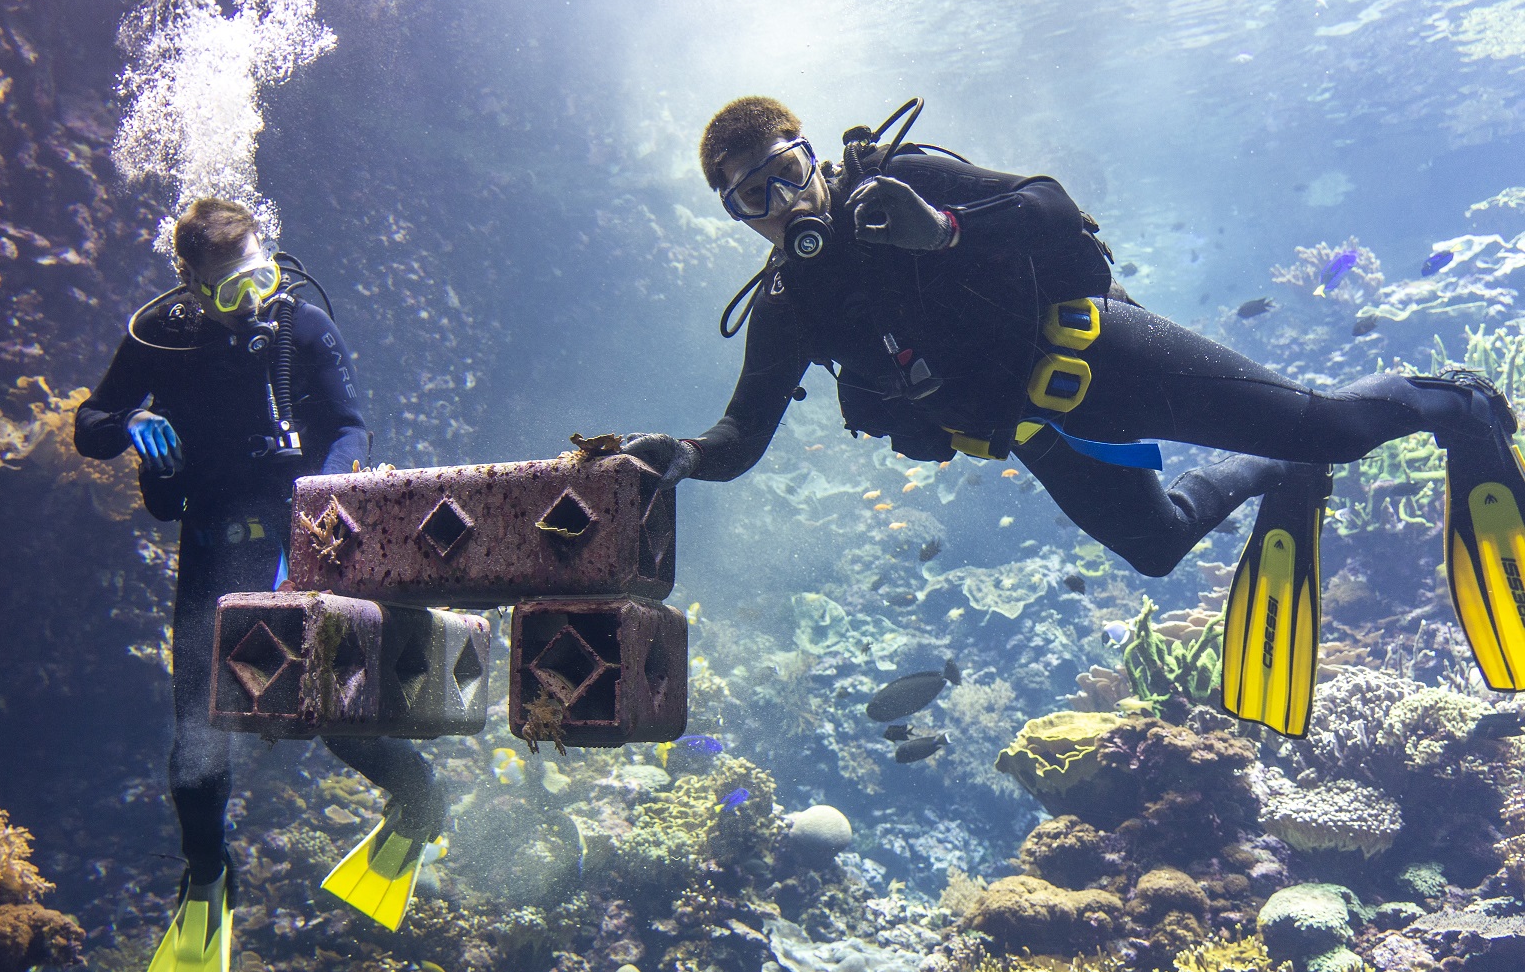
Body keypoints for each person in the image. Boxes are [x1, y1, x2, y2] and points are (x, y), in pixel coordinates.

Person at [623, 96, 1525, 738]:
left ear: (810, 154)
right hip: (1035, 429)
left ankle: (1457, 401)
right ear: (736, 216)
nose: (784, 205)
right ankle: (1275, 473)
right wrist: (688, 456)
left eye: (785, 174)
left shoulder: (901, 176)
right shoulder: (788, 306)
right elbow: (743, 432)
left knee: (1332, 429)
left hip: (1099, 354)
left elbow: (1053, 207)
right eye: (754, 198)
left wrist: (939, 229)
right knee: (1158, 546)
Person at [74, 197, 444, 972]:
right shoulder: (161, 336)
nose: (251, 298)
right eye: (228, 286)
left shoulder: (300, 321)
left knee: (328, 716)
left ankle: (417, 794)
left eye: (257, 272)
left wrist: (339, 483)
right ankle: (207, 876)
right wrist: (125, 429)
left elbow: (350, 420)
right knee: (197, 738)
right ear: (192, 290)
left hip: (307, 536)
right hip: (211, 543)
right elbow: (89, 420)